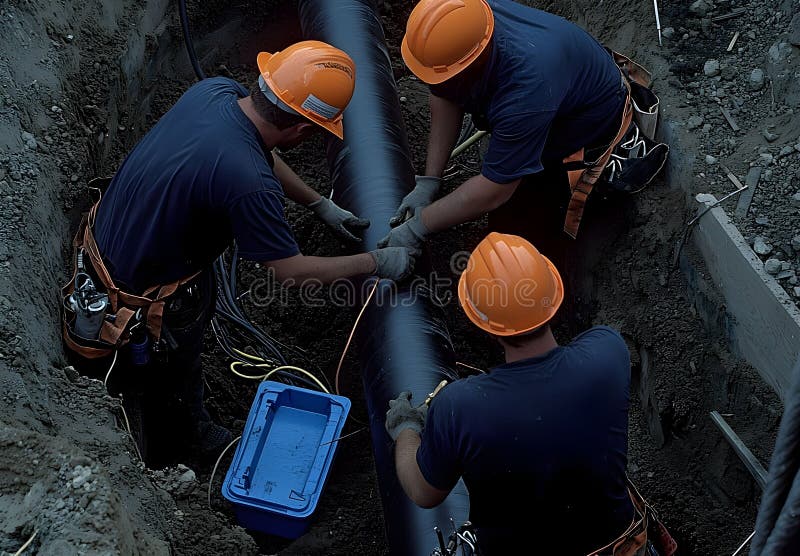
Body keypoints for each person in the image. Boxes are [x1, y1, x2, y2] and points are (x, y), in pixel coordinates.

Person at [74, 41, 417, 456]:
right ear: (306, 129)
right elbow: (289, 271)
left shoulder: (216, 92)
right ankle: (186, 439)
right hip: (141, 294)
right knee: (176, 362)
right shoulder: (249, 184)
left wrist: (319, 204)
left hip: (105, 242)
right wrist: (376, 261)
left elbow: (260, 150)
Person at [385, 232, 637, 554]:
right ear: (553, 295)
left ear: (481, 324)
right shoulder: (608, 352)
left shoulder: (460, 407)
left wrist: (406, 429)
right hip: (619, 544)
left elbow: (423, 492)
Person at [379, 0, 637, 267]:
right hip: (560, 81)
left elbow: (495, 190)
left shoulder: (527, 93)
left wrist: (417, 227)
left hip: (586, 122)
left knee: (516, 227)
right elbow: (443, 91)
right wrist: (430, 180)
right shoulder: (463, 21)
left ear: (472, 63)